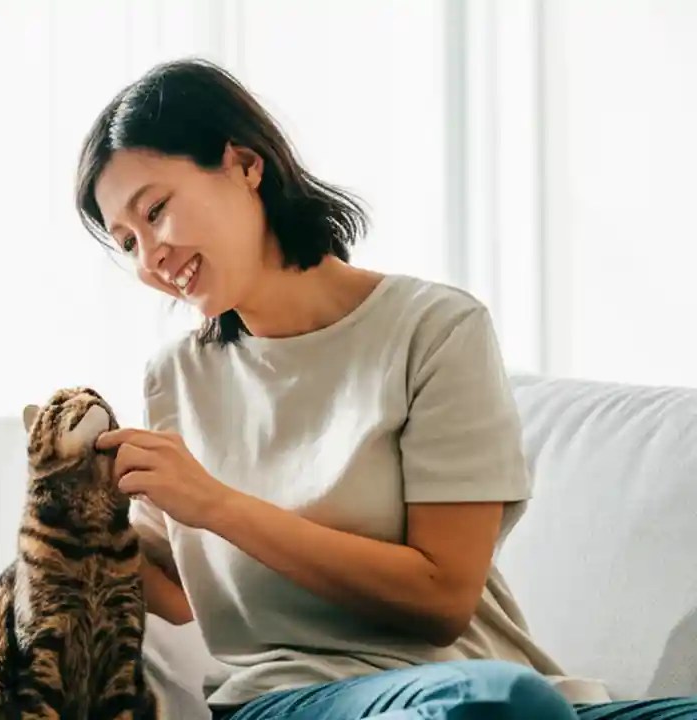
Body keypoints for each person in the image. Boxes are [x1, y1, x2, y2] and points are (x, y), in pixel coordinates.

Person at [76, 58, 697, 720]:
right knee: (504, 703)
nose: (151, 258)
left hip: (488, 689)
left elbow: (440, 598)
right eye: (128, 242)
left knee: (514, 701)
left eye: (157, 211)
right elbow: (172, 587)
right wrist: (65, 512)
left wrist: (218, 505)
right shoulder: (176, 377)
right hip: (294, 700)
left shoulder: (434, 330)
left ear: (244, 165)